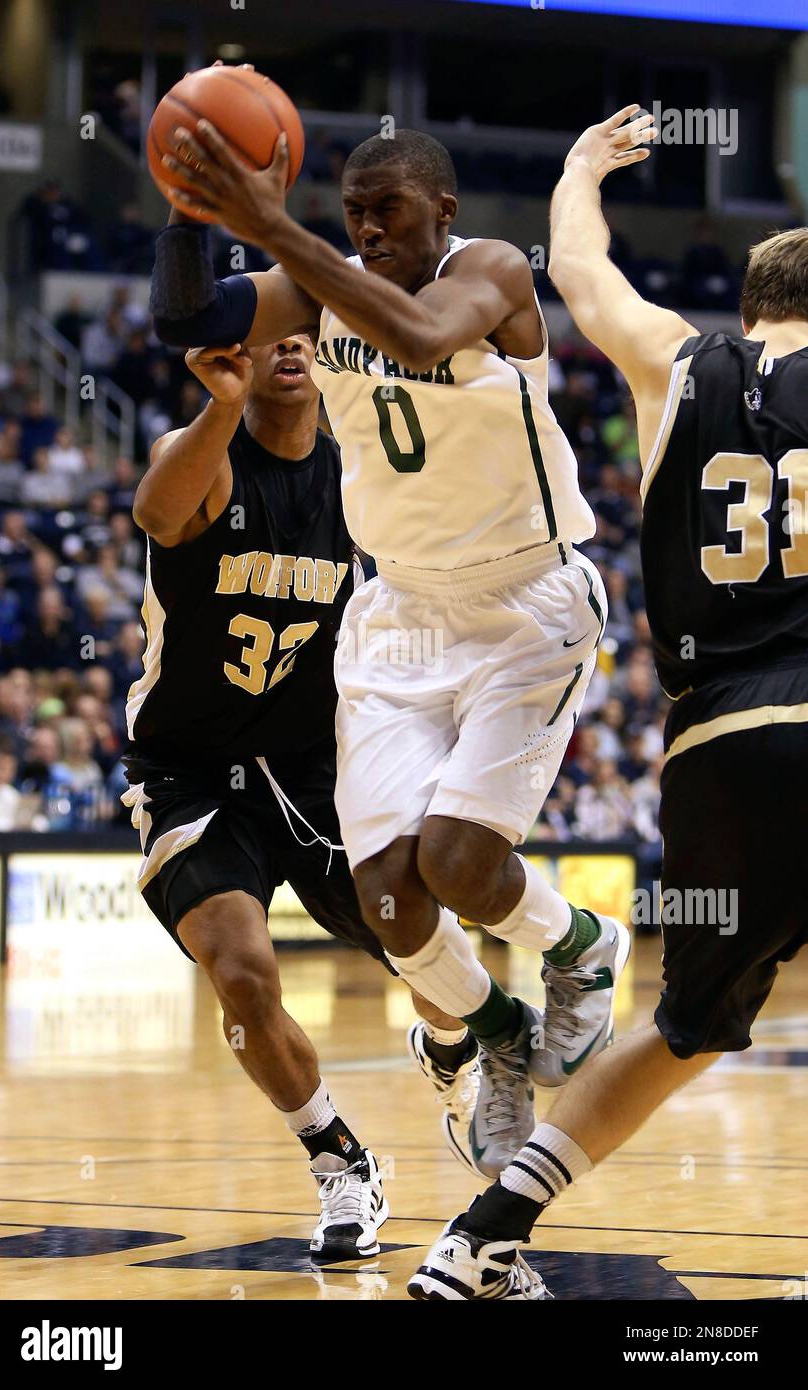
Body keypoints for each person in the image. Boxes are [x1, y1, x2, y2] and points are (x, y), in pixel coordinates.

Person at [150, 119, 629, 1194]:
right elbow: (189, 315)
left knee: (459, 862)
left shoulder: (493, 273)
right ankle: (501, 1033)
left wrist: (270, 223)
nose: (366, 228)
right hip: (399, 609)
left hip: (525, 600)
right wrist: (186, 214)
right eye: (354, 211)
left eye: (389, 210)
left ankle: (577, 941)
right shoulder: (320, 285)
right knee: (393, 904)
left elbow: (417, 337)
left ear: (443, 212)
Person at [410, 105, 808, 1298]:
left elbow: (578, 269)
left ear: (747, 309)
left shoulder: (679, 366)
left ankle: (484, 1228)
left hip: (715, 745)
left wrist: (580, 166)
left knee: (689, 1019)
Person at [124, 333, 480, 1261]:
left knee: (427, 953)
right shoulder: (195, 452)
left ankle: (450, 1049)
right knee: (239, 972)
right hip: (190, 768)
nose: (287, 345)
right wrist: (224, 404)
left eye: (303, 334)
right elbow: (159, 516)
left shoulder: (364, 476)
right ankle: (338, 1161)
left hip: (322, 763)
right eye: (264, 334)